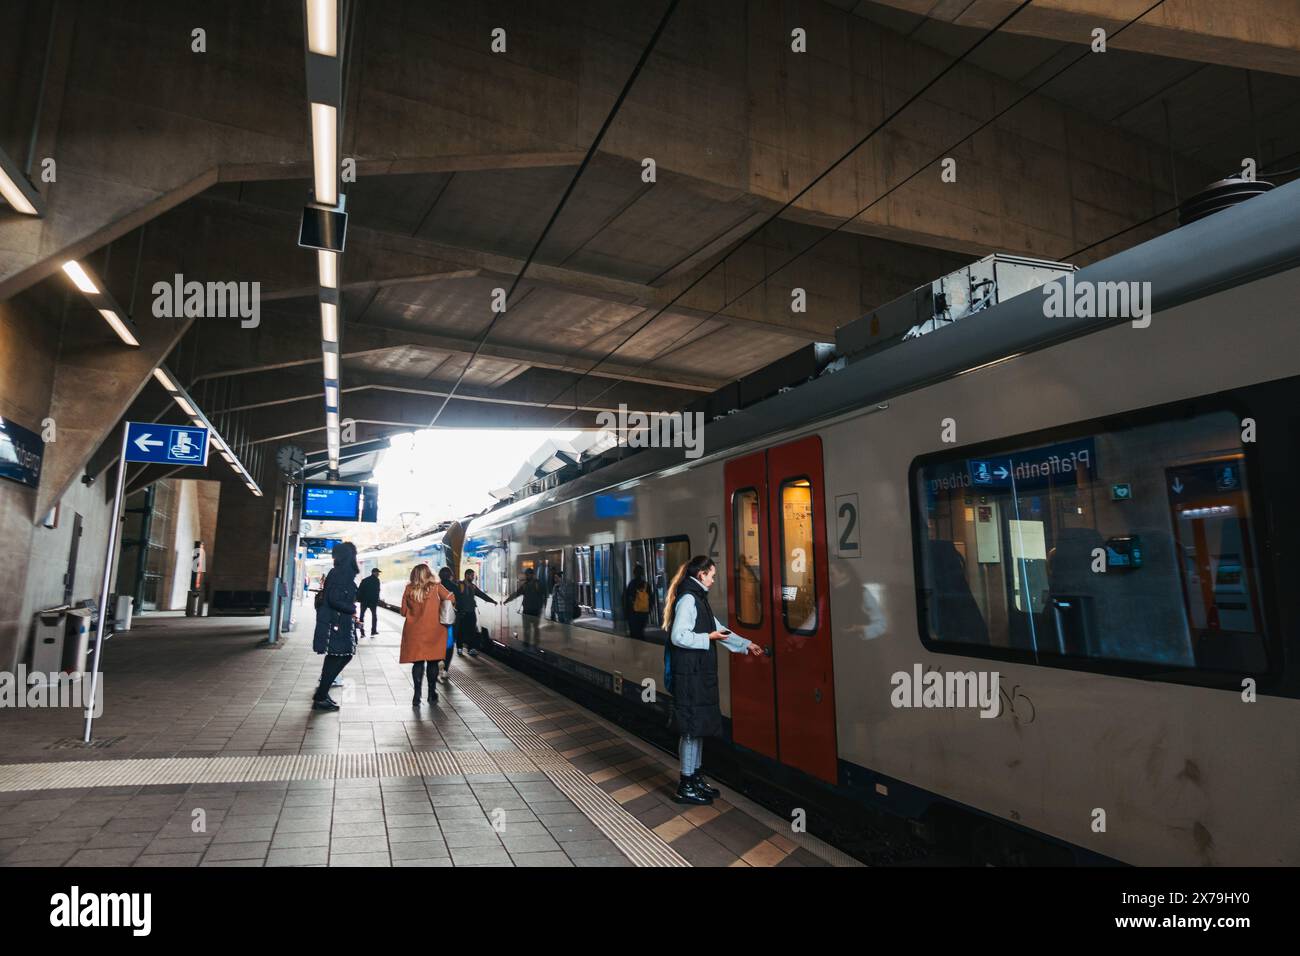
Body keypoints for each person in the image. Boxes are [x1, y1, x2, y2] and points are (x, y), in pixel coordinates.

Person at [662, 555, 761, 805]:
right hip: (690, 676)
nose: (714, 580)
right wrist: (707, 638)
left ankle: (695, 777)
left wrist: (746, 645)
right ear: (701, 575)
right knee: (691, 730)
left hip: (698, 675)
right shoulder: (688, 600)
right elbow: (679, 636)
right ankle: (686, 784)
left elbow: (720, 630)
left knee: (699, 728)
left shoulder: (698, 599)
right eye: (712, 575)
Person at [311, 542, 362, 711]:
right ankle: (320, 696)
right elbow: (334, 598)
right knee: (340, 655)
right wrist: (352, 608)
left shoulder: (340, 572)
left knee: (340, 655)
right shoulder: (342, 573)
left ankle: (322, 694)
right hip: (337, 622)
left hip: (339, 621)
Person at [399, 563, 455, 707]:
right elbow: (451, 598)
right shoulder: (436, 587)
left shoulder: (409, 588)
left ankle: (417, 695)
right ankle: (431, 693)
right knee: (432, 662)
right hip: (434, 631)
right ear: (428, 574)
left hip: (414, 632)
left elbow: (403, 612)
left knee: (417, 663)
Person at [457, 568, 497, 658]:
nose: (473, 577)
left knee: (472, 630)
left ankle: (471, 649)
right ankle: (459, 647)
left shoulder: (473, 586)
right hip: (462, 612)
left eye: (473, 576)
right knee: (461, 630)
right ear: (466, 575)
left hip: (471, 612)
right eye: (472, 575)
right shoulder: (460, 585)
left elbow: (481, 595)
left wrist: (492, 601)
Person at [506, 567, 546, 649]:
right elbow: (516, 593)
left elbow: (544, 595)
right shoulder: (525, 585)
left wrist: (542, 606)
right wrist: (507, 600)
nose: (526, 576)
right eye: (526, 575)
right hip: (528, 610)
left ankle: (534, 643)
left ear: (532, 575)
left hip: (535, 610)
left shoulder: (537, 584)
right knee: (528, 628)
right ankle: (528, 643)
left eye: (528, 575)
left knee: (535, 628)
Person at [437, 567, 462, 681]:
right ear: (450, 576)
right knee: (449, 645)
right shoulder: (454, 587)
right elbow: (459, 604)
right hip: (450, 622)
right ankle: (445, 669)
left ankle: (438, 664)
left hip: (437, 621)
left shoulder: (435, 587)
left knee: (437, 644)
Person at [624, 565, 651, 639]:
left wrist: (626, 613)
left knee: (634, 633)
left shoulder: (631, 584)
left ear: (634, 573)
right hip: (644, 612)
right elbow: (651, 599)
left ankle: (636, 648)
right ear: (642, 573)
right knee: (641, 631)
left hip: (633, 613)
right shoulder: (646, 585)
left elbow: (627, 598)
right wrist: (649, 610)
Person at [357, 568, 381, 636]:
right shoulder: (376, 580)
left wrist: (360, 599)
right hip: (372, 602)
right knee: (374, 616)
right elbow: (377, 591)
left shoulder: (364, 580)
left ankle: (362, 632)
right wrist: (377, 600)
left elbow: (360, 590)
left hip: (364, 601)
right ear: (374, 572)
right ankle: (373, 631)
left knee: (361, 616)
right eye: (377, 572)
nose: (378, 574)